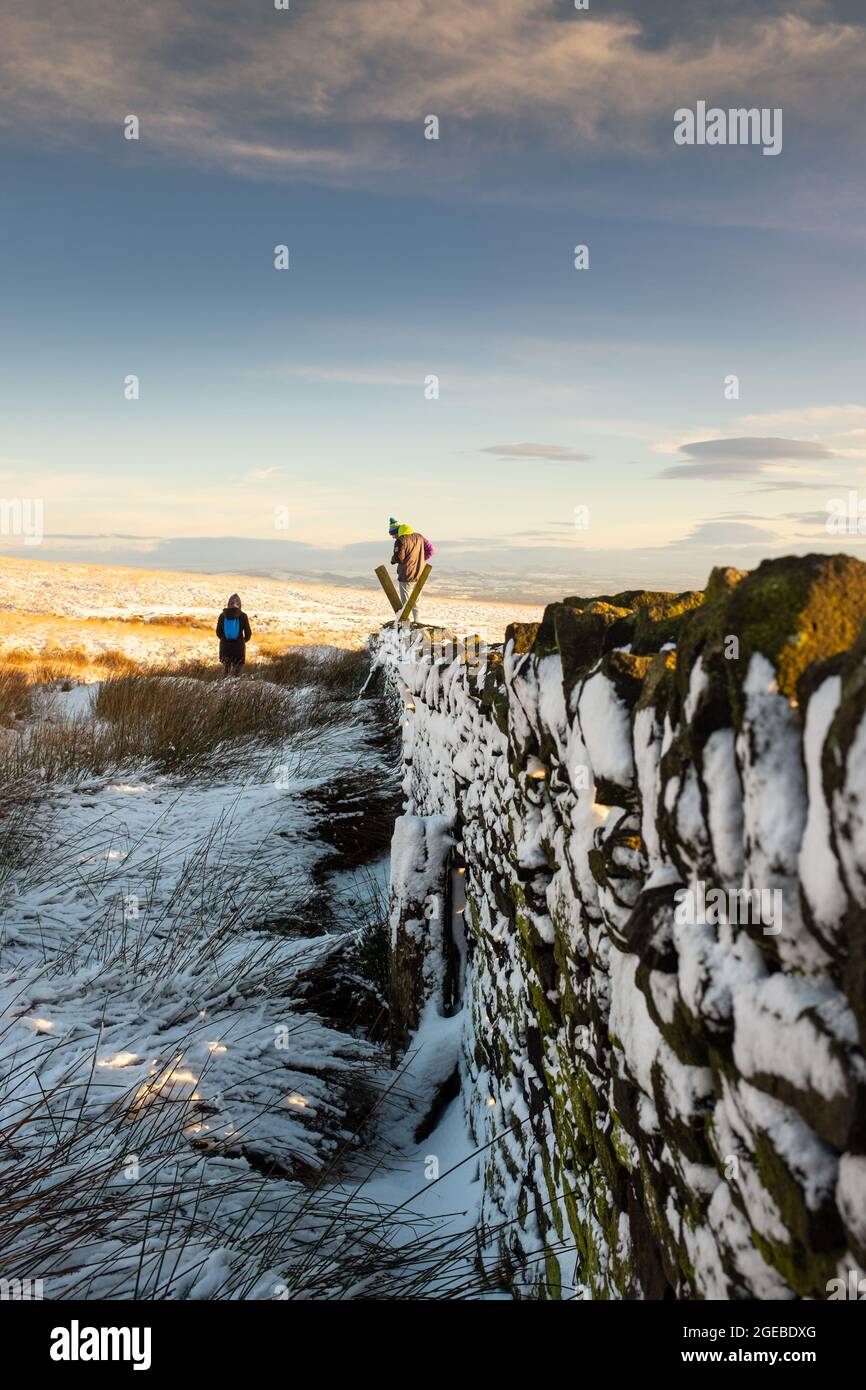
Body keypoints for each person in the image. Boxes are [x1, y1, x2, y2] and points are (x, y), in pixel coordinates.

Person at [388, 518, 430, 621]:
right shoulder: (419, 537)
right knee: (416, 601)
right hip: (420, 574)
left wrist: (393, 560)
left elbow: (399, 558)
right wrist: (419, 560)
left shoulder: (401, 540)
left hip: (406, 575)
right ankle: (417, 622)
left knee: (406, 603)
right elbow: (430, 550)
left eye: (393, 534)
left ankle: (406, 625)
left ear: (397, 532)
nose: (393, 537)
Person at [216, 594, 252, 676]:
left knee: (226, 673)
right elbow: (248, 633)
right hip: (238, 648)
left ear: (228, 604)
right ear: (240, 604)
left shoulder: (222, 616)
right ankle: (235, 688)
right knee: (237, 675)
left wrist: (224, 639)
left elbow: (218, 632)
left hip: (225, 647)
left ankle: (224, 688)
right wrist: (242, 641)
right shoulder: (243, 616)